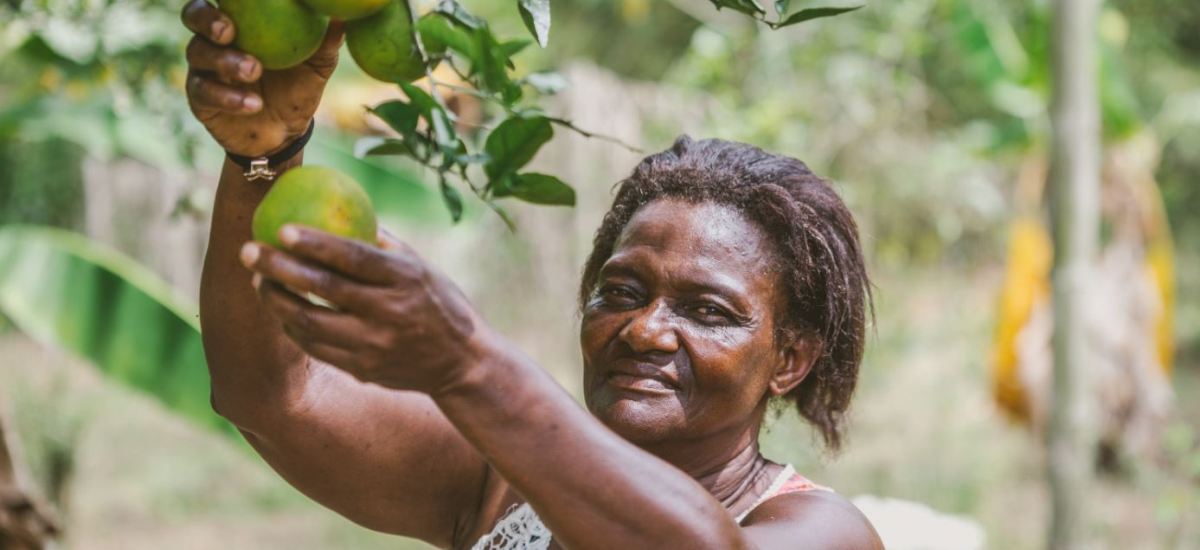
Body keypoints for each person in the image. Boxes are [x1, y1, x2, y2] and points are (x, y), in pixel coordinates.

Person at [183, 1, 883, 548]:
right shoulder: (498, 483)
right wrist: (264, 157)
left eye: (706, 311)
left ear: (789, 358)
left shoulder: (825, 534)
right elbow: (271, 394)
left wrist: (465, 361)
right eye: (622, 292)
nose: (644, 330)